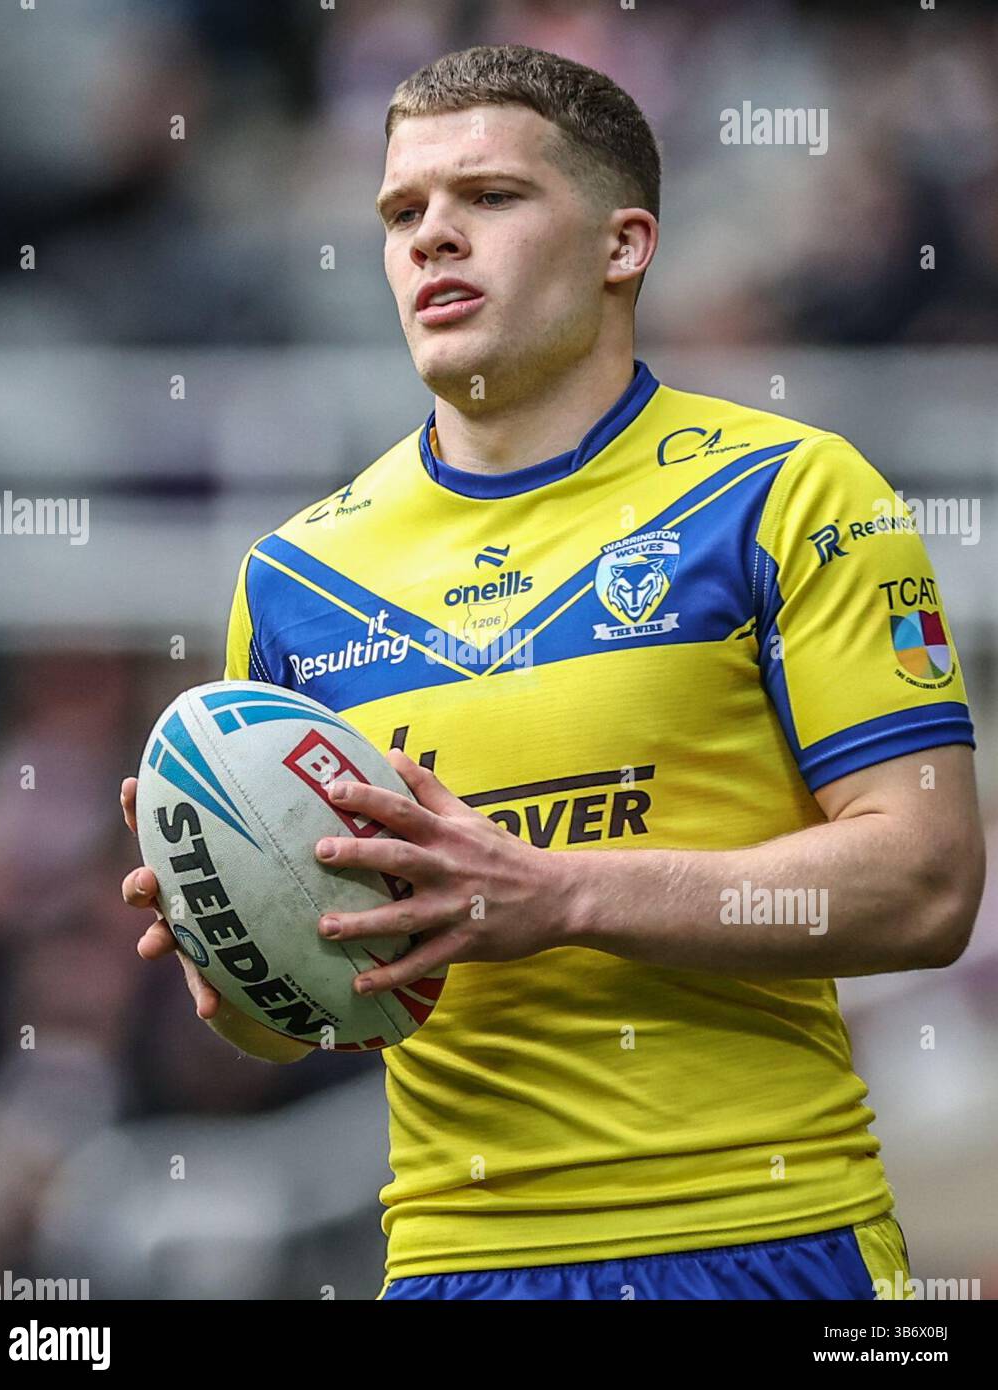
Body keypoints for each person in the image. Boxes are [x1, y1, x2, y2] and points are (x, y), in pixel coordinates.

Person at [122, 44, 985, 1300]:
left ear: (622, 244)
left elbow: (925, 884)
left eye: (489, 198)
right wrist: (231, 956)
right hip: (452, 1263)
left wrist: (560, 895)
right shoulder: (296, 576)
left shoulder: (790, 493)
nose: (432, 239)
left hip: (767, 1242)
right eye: (402, 212)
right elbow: (307, 1011)